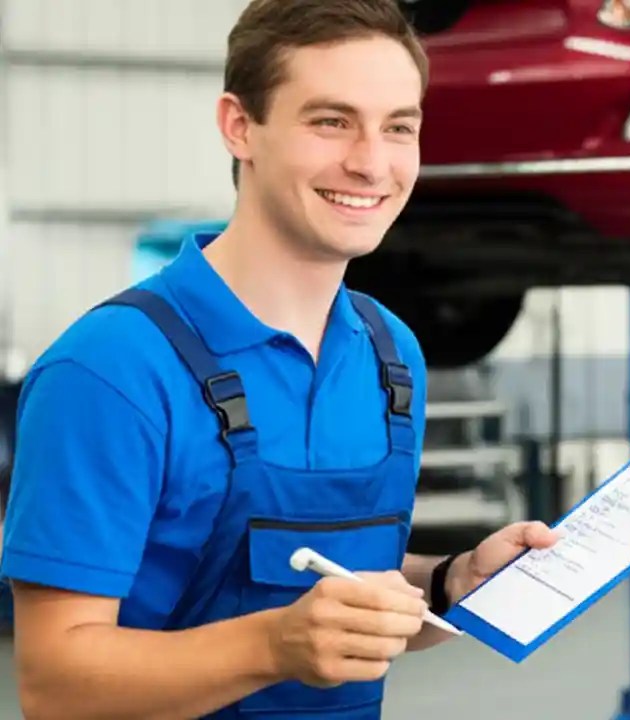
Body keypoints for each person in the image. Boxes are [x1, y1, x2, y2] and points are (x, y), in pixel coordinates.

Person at [0, 0, 558, 717]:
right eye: (331, 121)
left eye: (399, 128)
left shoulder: (391, 355)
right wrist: (274, 647)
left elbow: (345, 586)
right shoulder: (111, 371)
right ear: (240, 127)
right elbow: (55, 685)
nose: (371, 163)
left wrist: (452, 581)